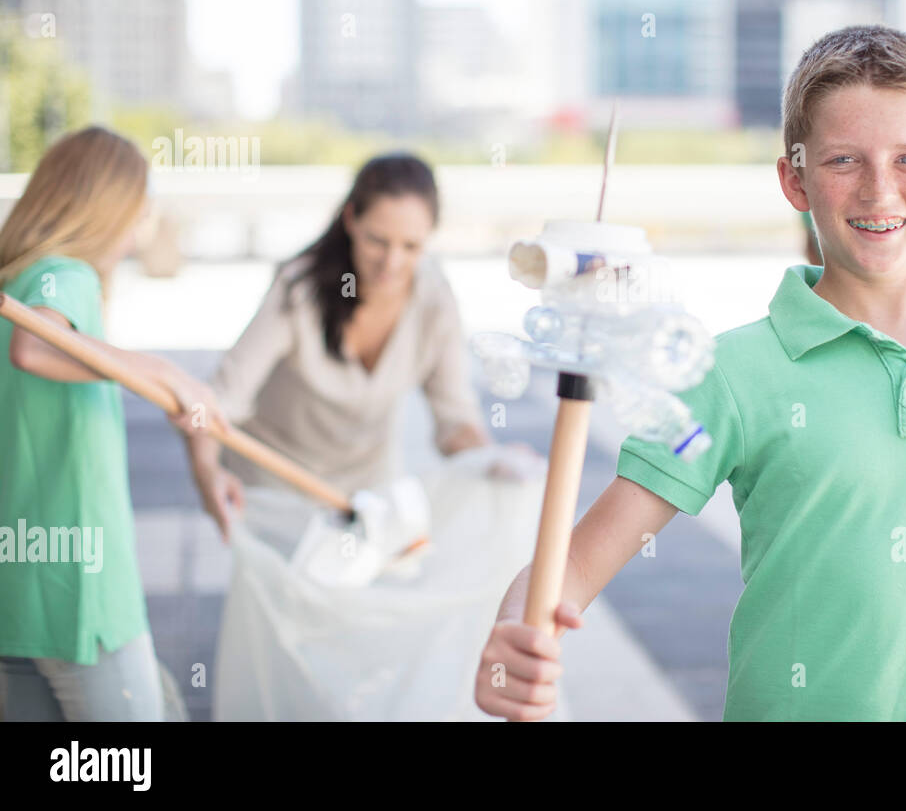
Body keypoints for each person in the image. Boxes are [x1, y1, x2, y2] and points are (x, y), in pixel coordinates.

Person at [474, 25, 906, 721]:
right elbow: (570, 566)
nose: (879, 189)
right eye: (843, 159)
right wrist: (515, 636)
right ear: (794, 179)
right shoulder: (732, 376)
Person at [0, 127, 226, 720]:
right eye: (134, 217)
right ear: (105, 212)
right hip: (83, 595)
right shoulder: (64, 276)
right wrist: (160, 370)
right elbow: (33, 348)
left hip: (19, 595)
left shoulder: (14, 281)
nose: (132, 239)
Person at [183, 153, 528, 531]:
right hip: (276, 490)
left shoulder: (434, 299)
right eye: (377, 241)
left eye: (411, 247)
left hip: (369, 495)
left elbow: (454, 421)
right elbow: (215, 404)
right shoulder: (298, 292)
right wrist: (205, 474)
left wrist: (491, 460)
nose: (392, 263)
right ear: (351, 220)